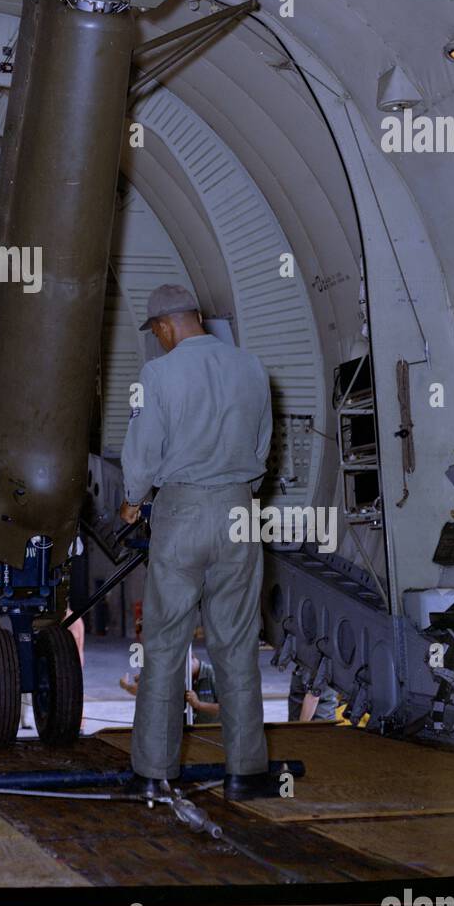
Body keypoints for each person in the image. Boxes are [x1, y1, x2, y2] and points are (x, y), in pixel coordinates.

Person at [119, 283, 280, 801]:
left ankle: (154, 773)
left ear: (164, 327)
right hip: (239, 511)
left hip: (183, 511)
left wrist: (131, 499)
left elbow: (143, 452)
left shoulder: (158, 374)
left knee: (165, 645)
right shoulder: (252, 368)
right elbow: (263, 444)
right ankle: (246, 773)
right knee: (236, 642)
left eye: (158, 334)